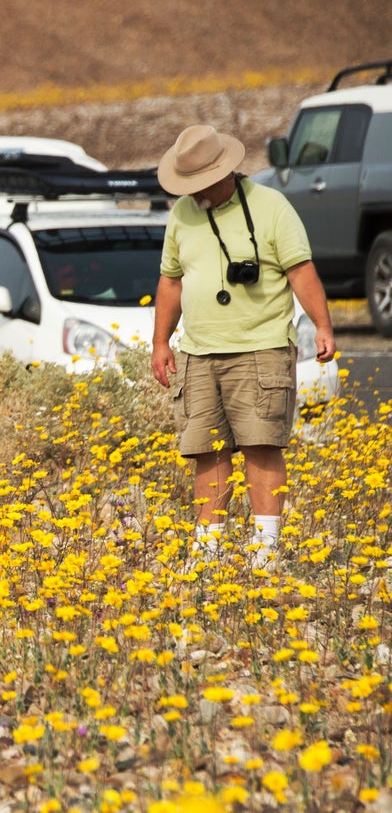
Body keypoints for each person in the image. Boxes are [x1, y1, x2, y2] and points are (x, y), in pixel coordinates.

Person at [150, 125, 336, 561]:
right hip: (198, 352)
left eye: (198, 183)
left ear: (224, 172)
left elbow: (300, 271)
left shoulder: (272, 207)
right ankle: (207, 550)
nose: (192, 192)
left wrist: (322, 325)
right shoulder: (182, 214)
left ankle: (265, 549)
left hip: (262, 347)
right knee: (206, 451)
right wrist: (161, 342)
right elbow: (170, 282)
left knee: (261, 445)